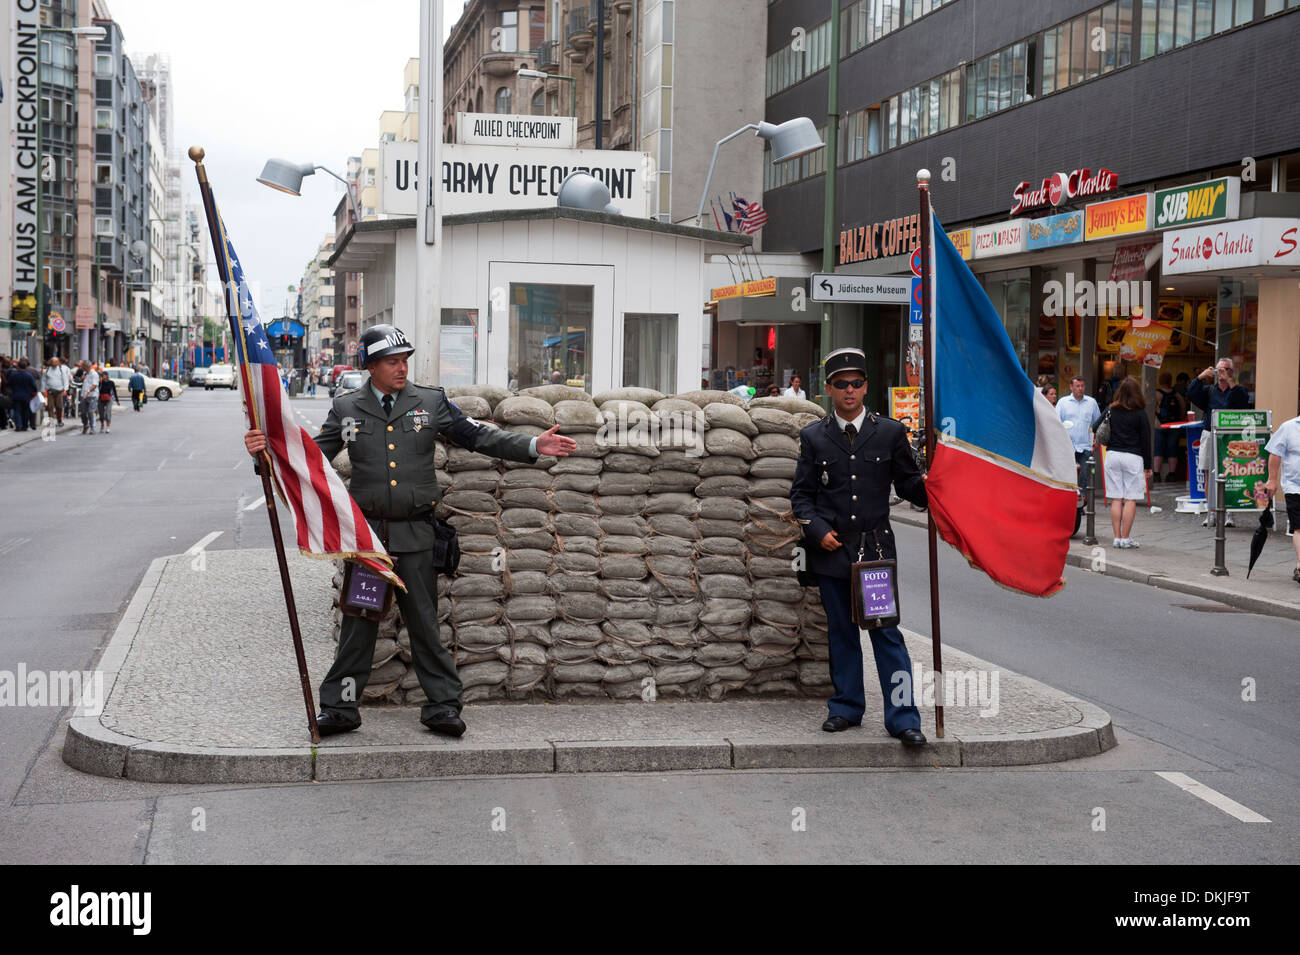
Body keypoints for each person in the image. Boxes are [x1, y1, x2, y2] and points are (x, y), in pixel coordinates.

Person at [244, 324, 577, 738]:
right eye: (391, 362)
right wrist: (266, 454)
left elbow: (476, 436)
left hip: (418, 536)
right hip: (369, 541)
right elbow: (311, 457)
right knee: (359, 625)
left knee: (424, 624)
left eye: (404, 360)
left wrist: (530, 446)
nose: (401, 368)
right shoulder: (348, 408)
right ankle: (341, 708)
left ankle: (441, 707)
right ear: (371, 366)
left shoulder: (429, 402)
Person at [791, 346, 928, 746]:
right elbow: (801, 497)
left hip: (874, 555)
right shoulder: (814, 437)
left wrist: (935, 484)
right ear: (829, 389)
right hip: (833, 553)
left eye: (856, 383)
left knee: (886, 635)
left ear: (866, 386)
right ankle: (846, 708)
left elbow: (908, 486)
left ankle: (903, 718)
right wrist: (816, 530)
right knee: (842, 634)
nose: (849, 390)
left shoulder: (889, 432)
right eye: (841, 384)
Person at [1187, 358, 1251, 524]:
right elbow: (1191, 393)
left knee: (1231, 473)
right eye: (1217, 370)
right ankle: (1212, 512)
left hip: (1230, 436)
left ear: (1231, 371)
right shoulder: (1210, 390)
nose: (1219, 373)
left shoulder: (1237, 390)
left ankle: (1229, 512)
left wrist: (1230, 382)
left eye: (1223, 369)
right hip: (1210, 432)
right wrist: (1201, 377)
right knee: (1209, 473)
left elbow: (1243, 401)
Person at [1102, 377, 1153, 548]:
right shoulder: (1140, 413)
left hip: (1112, 455)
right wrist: (1148, 465)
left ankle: (1116, 537)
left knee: (1116, 498)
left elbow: (1096, 426)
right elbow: (1146, 440)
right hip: (1133, 456)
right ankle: (1125, 538)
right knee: (1130, 499)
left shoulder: (1111, 409)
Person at [1263, 413, 1300, 584]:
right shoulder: (1289, 427)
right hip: (1295, 487)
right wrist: (1272, 479)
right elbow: (1275, 453)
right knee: (1299, 527)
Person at [1057, 375, 1101, 495]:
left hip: (1085, 446)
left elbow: (1098, 424)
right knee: (1067, 475)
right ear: (1071, 387)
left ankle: (1082, 502)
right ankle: (1068, 500)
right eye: (1077, 386)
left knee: (1084, 476)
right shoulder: (1063, 402)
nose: (1080, 388)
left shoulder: (1091, 403)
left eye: (1082, 386)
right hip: (1067, 447)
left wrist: (1097, 441)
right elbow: (1056, 424)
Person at [1152, 371, 1186, 483]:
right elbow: (1183, 410)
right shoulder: (1177, 395)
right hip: (1174, 426)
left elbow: (1151, 410)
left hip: (1159, 425)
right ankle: (1172, 474)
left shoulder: (1157, 394)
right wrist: (1178, 420)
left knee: (1158, 450)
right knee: (1172, 450)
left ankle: (1156, 475)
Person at [5, 358, 40, 432]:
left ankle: (18, 426)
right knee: (26, 411)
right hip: (26, 396)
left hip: (16, 395)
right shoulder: (29, 376)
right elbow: (33, 386)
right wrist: (34, 392)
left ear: (18, 366)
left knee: (17, 411)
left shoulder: (14, 375)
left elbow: (8, 384)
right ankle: (25, 426)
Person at [42, 357, 71, 427]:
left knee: (59, 406)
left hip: (59, 391)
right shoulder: (47, 370)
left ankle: (59, 420)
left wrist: (65, 389)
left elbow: (65, 380)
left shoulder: (61, 370)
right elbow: (43, 380)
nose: (54, 363)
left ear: (58, 362)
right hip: (50, 391)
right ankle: (51, 421)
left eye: (56, 362)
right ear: (50, 362)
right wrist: (43, 390)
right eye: (53, 362)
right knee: (50, 407)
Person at [77, 362, 99, 435]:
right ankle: (85, 424)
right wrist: (82, 378)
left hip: (92, 395)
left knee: (90, 412)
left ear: (86, 367)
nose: (82, 368)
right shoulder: (85, 373)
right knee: (83, 412)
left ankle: (92, 427)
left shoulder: (94, 374)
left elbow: (94, 385)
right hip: (84, 395)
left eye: (83, 366)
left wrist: (88, 391)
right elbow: (83, 382)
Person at [97, 366, 121, 432]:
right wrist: (100, 382)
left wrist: (117, 400)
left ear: (107, 376)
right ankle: (102, 425)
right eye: (101, 376)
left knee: (108, 412)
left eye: (103, 375)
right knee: (101, 413)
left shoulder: (111, 382)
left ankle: (108, 427)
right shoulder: (100, 383)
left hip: (109, 398)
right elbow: (98, 390)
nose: (102, 376)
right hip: (101, 398)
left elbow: (114, 391)